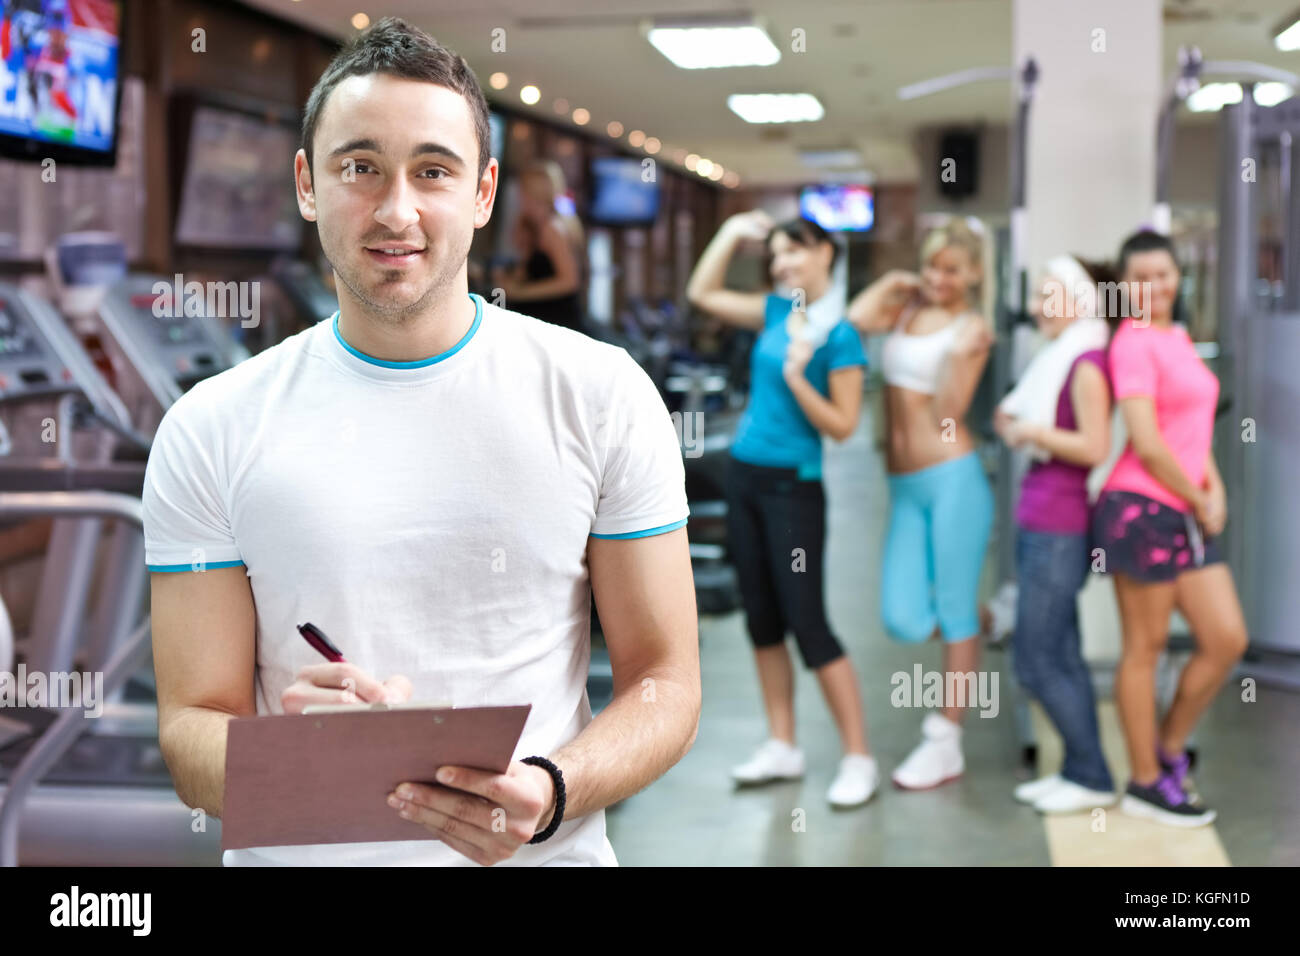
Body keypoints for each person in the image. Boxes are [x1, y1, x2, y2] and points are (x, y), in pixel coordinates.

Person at [143, 17, 700, 867]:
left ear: (482, 193)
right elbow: (189, 734)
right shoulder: (210, 426)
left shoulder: (602, 394)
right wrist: (301, 760)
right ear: (307, 184)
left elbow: (667, 681)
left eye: (432, 171)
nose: (396, 209)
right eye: (359, 167)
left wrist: (551, 791)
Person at [687, 210, 879, 808]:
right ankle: (783, 744)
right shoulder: (776, 310)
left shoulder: (839, 335)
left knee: (808, 623)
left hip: (794, 489)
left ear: (826, 252)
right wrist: (729, 231)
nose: (783, 263)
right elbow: (702, 293)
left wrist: (800, 380)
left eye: (794, 251)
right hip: (745, 477)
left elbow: (844, 427)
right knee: (761, 620)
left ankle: (858, 757)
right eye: (775, 255)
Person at [1093, 229, 1247, 827]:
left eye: (1163, 275)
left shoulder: (1177, 336)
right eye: (1140, 278)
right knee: (1146, 648)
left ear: (1177, 276)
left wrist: (1215, 487)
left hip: (1187, 507)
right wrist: (1195, 498)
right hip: (1141, 509)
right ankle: (1145, 783)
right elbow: (1150, 445)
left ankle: (1168, 747)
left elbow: (1192, 431)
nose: (1153, 287)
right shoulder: (1131, 344)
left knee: (1225, 638)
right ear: (1124, 286)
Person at [847, 218, 995, 790]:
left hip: (953, 477)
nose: (939, 276)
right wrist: (895, 281)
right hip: (903, 486)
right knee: (903, 618)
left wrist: (958, 357)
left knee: (952, 612)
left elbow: (949, 410)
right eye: (932, 264)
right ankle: (981, 623)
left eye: (952, 268)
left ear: (975, 274)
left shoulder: (973, 328)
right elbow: (854, 323)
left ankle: (945, 741)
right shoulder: (905, 311)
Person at [994, 255, 1116, 813]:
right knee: (1060, 653)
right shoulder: (1057, 357)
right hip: (1043, 520)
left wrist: (1032, 431)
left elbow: (1092, 448)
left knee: (1036, 659)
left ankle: (1089, 774)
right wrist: (1020, 427)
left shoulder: (1086, 362)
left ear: (1077, 299)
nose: (1040, 307)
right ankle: (1080, 769)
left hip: (1059, 527)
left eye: (1050, 296)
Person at [492, 160, 585, 331]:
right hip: (543, 315)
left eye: (521, 190)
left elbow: (570, 281)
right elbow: (527, 268)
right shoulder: (536, 226)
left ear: (532, 192)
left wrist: (521, 292)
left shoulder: (552, 228)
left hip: (557, 319)